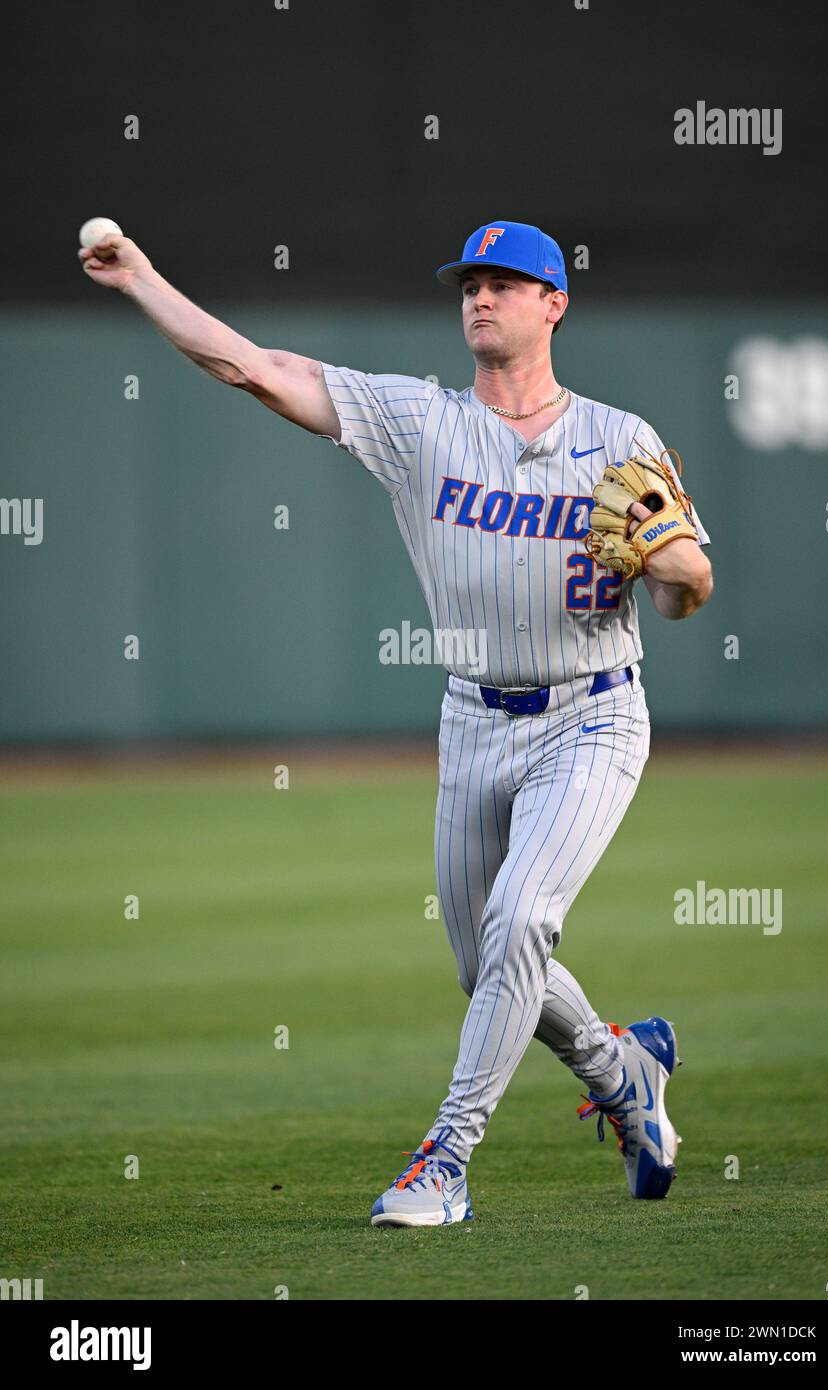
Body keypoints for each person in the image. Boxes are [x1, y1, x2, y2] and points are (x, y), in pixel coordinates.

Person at [79, 218, 713, 1228]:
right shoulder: (415, 421)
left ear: (553, 303)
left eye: (505, 282)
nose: (480, 296)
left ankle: (444, 1159)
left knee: (518, 924)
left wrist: (681, 577)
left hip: (591, 716)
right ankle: (618, 1065)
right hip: (470, 720)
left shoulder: (618, 438)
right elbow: (251, 366)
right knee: (486, 964)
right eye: (470, 282)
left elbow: (684, 592)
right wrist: (142, 277)